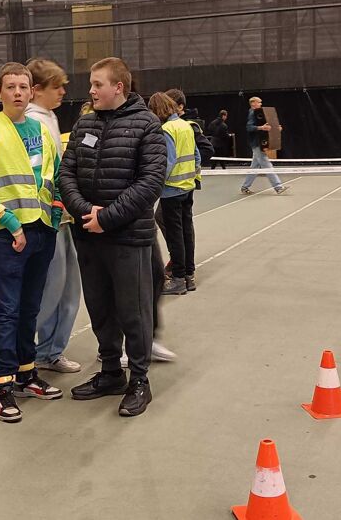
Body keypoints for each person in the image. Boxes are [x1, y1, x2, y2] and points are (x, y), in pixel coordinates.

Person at [59, 57, 166, 418]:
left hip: (127, 238)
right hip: (88, 235)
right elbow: (66, 173)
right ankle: (110, 373)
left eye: (97, 84)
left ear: (118, 87)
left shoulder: (147, 126)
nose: (90, 90)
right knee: (100, 309)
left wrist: (109, 218)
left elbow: (150, 182)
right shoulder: (84, 123)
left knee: (132, 311)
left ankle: (139, 380)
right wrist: (84, 212)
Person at [0, 62, 64, 423]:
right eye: (11, 87)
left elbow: (49, 179)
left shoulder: (39, 129)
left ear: (32, 91)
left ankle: (26, 373)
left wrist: (52, 220)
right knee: (6, 309)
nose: (18, 93)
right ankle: (3, 386)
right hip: (6, 235)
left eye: (24, 87)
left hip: (41, 231)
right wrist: (11, 224)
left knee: (30, 307)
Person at [24, 58, 83, 375]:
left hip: (62, 217)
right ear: (37, 90)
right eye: (55, 86)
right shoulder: (33, 122)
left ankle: (50, 349)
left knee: (68, 288)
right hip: (48, 219)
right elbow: (41, 175)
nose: (62, 91)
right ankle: (39, 351)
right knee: (52, 288)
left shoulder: (50, 117)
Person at [149, 92, 200, 296]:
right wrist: (193, 177)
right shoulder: (186, 125)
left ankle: (178, 278)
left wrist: (154, 187)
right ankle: (189, 274)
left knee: (176, 235)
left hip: (171, 190)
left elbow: (166, 163)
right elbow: (196, 156)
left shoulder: (166, 130)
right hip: (188, 187)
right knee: (186, 232)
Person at [167, 89, 214, 189]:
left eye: (169, 105)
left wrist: (187, 167)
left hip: (182, 183)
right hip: (178, 183)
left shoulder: (190, 125)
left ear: (180, 107)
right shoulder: (169, 125)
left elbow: (207, 149)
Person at [240, 96, 288, 195]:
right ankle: (278, 187)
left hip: (259, 142)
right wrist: (261, 127)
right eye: (259, 102)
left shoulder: (259, 113)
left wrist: (275, 128)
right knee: (266, 164)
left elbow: (267, 125)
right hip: (256, 143)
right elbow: (249, 127)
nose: (261, 104)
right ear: (253, 103)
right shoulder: (252, 113)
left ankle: (245, 187)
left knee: (254, 167)